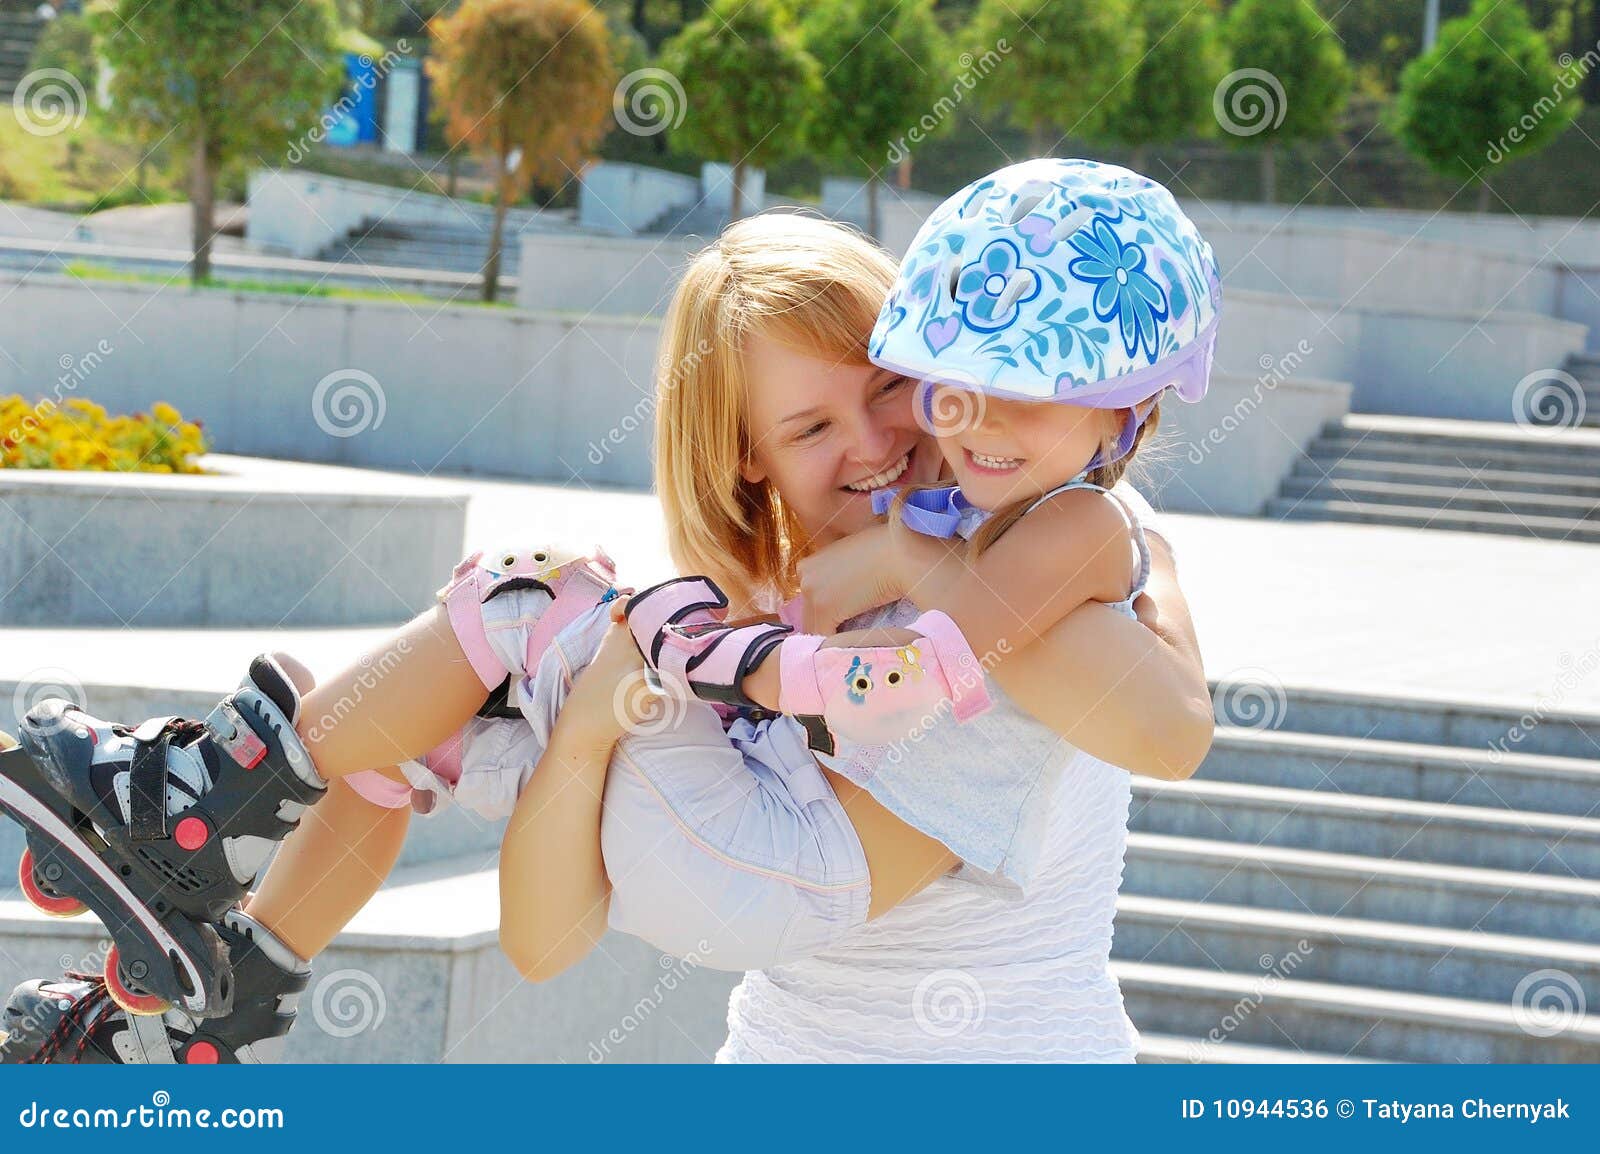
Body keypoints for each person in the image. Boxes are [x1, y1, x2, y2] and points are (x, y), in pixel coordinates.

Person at [0, 162, 1215, 1063]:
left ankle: (198, 798)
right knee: (428, 721)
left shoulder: (1038, 546)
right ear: (744, 461)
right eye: (811, 427)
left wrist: (910, 552)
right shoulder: (767, 609)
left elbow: (1167, 728)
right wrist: (580, 737)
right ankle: (236, 972)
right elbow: (542, 946)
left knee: (530, 596)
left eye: (896, 390)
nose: (890, 442)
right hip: (777, 1060)